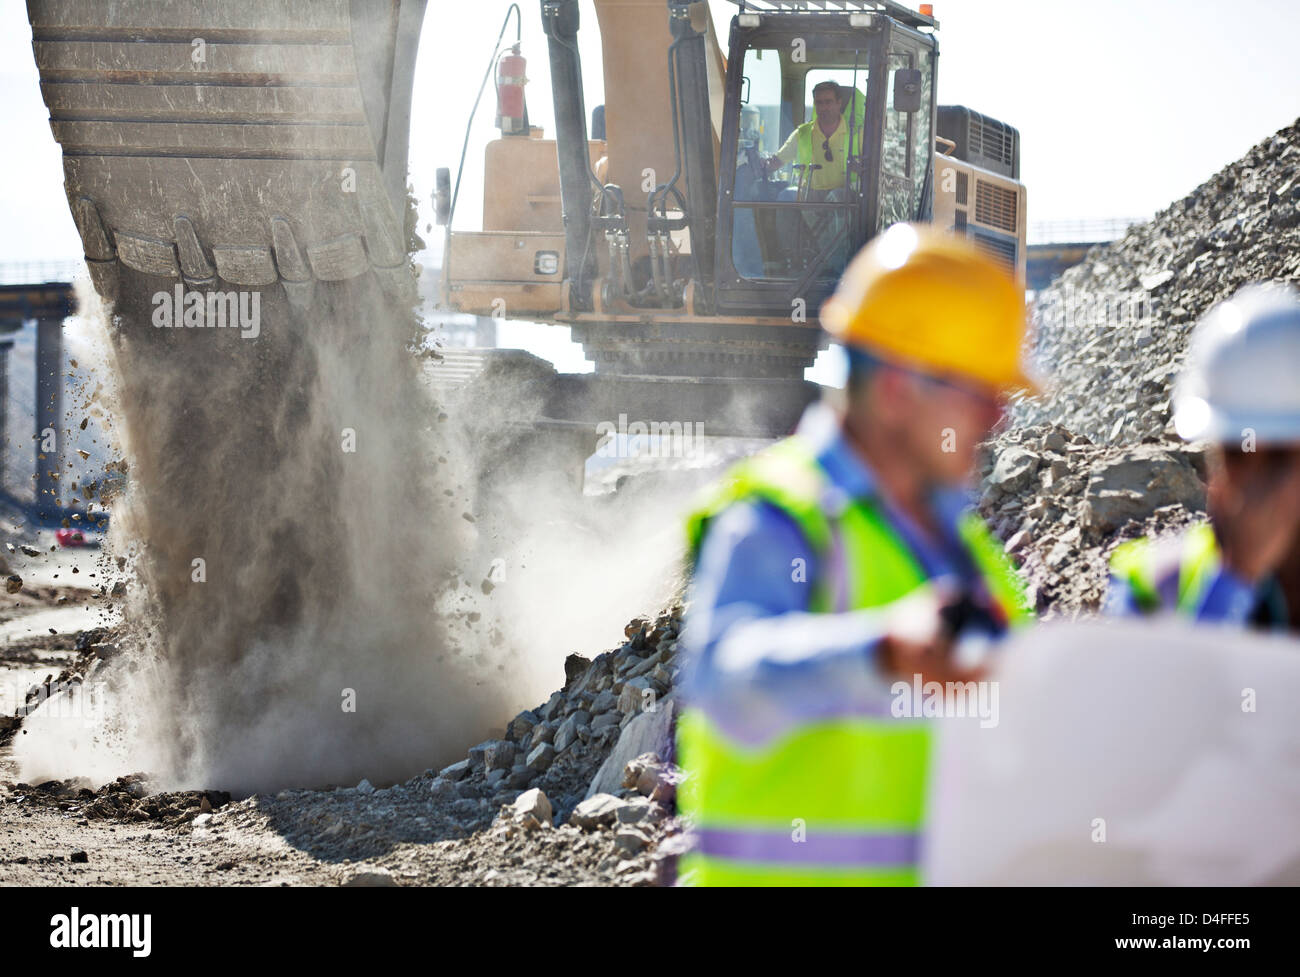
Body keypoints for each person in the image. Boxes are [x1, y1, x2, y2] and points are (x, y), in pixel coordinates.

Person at [677, 224, 1037, 886]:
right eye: (981, 393)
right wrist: (883, 652)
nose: (998, 418)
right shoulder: (784, 515)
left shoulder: (963, 545)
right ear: (901, 390)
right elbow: (724, 682)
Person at [1107, 284, 1300, 632]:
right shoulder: (1152, 582)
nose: (1251, 483)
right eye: (1237, 454)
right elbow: (1158, 684)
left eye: (1280, 460)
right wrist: (1234, 579)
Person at [764, 81, 858, 195]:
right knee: (785, 196)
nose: (823, 107)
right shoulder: (802, 133)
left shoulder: (857, 134)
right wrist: (760, 166)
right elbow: (776, 162)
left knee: (837, 196)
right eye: (819, 103)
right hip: (809, 198)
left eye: (828, 102)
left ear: (839, 103)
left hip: (846, 202)